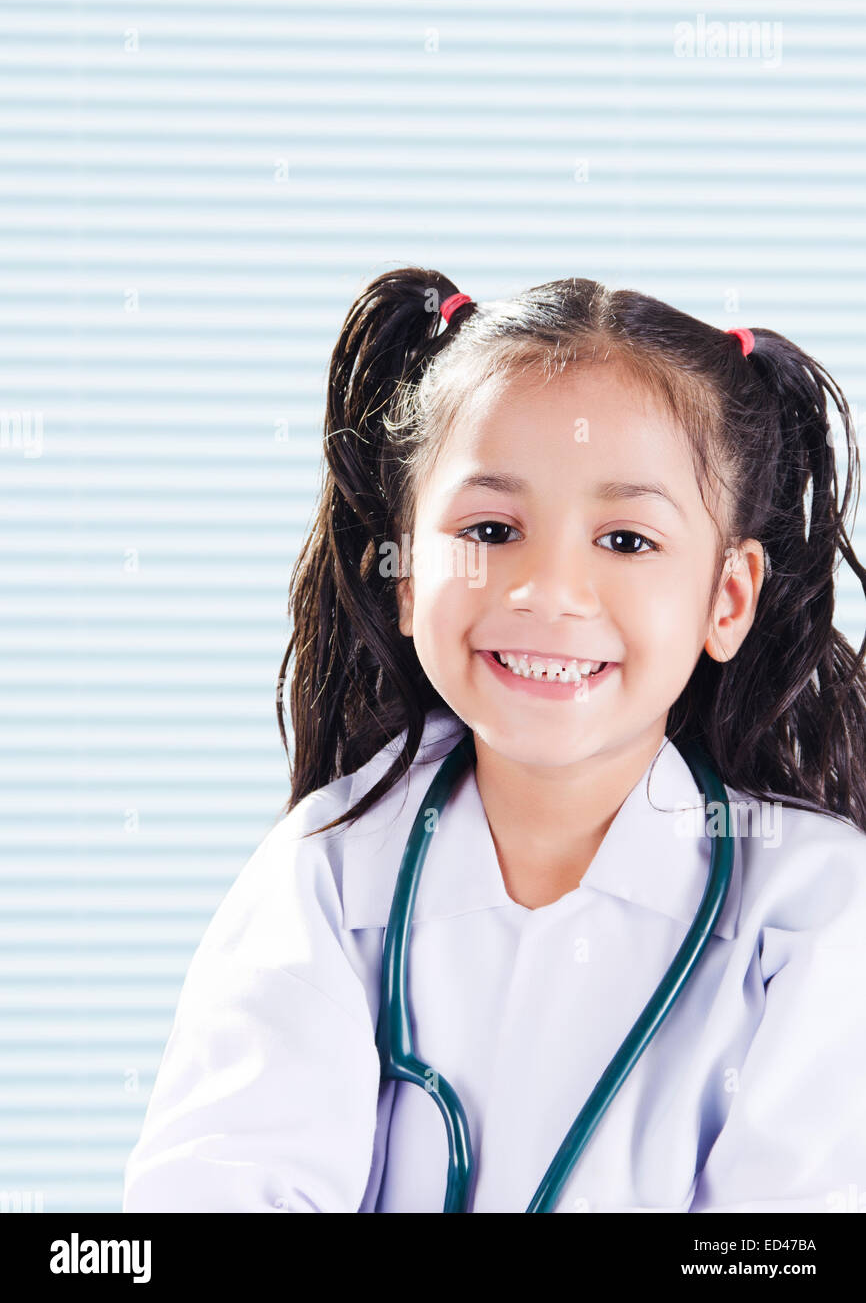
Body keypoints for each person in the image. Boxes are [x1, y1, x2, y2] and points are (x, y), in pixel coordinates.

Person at [123, 268, 866, 1213]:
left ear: (726, 598)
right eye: (490, 528)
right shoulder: (329, 875)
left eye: (627, 540)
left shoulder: (819, 910)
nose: (546, 590)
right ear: (403, 572)